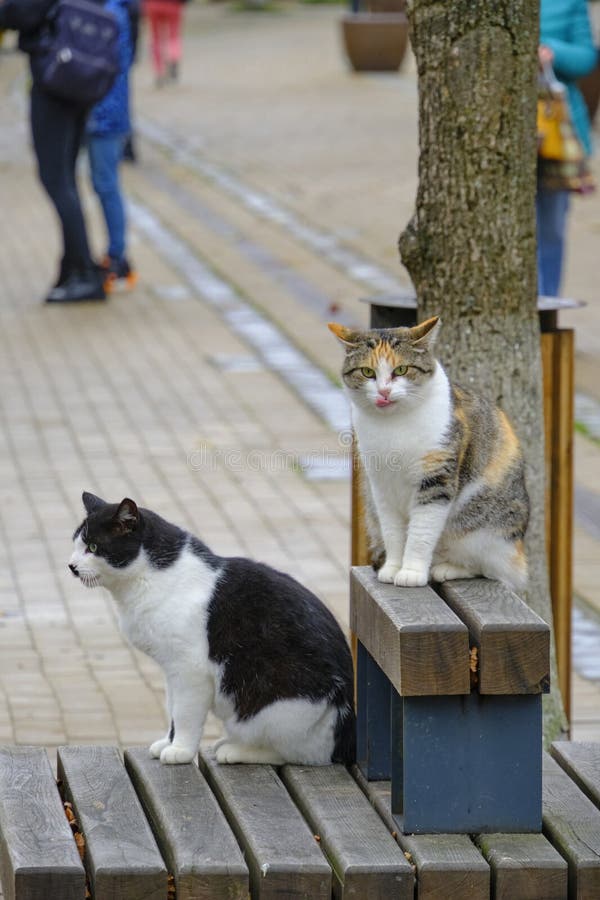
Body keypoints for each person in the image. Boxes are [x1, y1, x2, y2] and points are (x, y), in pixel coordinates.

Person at [0, 0, 107, 303]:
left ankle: (84, 271)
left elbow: (24, 11)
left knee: (55, 179)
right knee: (66, 179)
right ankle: (74, 264)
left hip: (55, 78)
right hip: (77, 72)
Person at [537, 0, 597, 297]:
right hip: (501, 129)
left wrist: (551, 51)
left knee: (551, 227)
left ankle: (546, 305)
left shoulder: (569, 2)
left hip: (557, 135)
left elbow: (586, 57)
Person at [87, 0, 137, 290]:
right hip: (98, 112)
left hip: (105, 115)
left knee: (106, 184)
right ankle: (115, 255)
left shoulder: (112, 13)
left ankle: (117, 257)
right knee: (102, 183)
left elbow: (115, 67)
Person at [143, 0, 185, 87]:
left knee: (156, 38)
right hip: (173, 4)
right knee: (173, 35)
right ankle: (173, 57)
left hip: (153, 5)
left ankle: (159, 71)